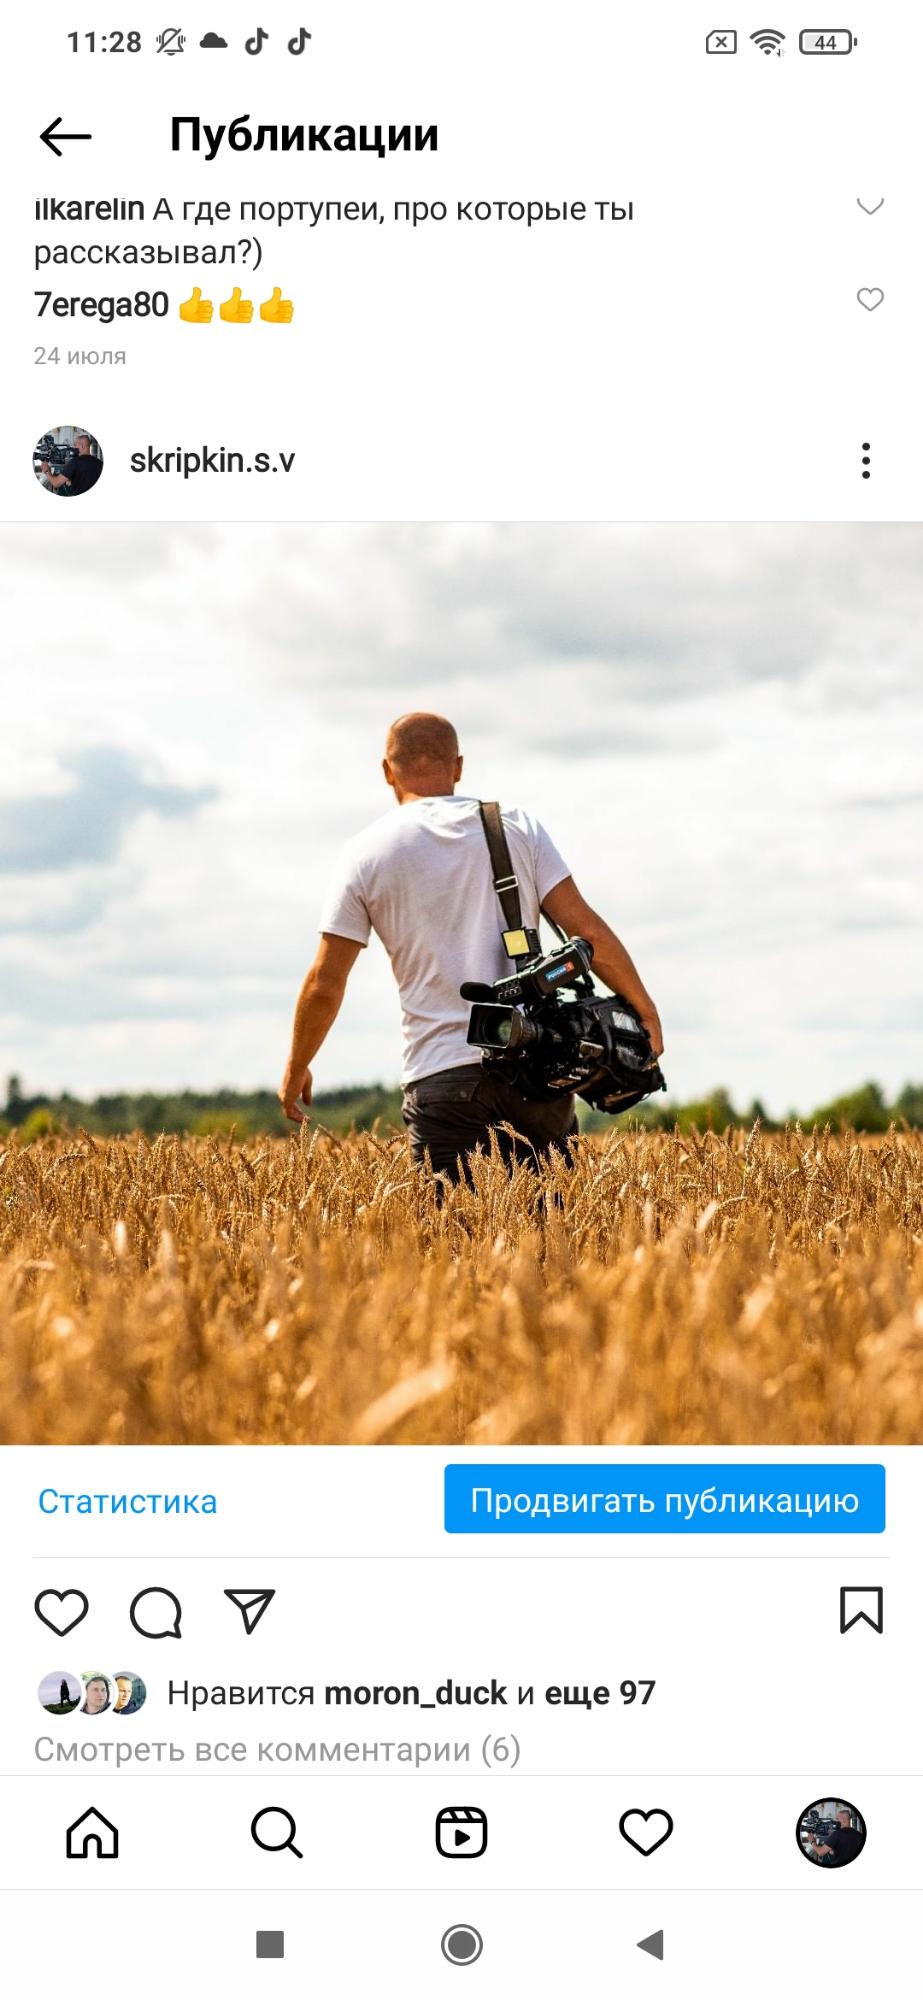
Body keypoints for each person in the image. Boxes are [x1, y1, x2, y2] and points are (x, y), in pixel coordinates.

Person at [279, 712, 663, 1181]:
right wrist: (644, 1011)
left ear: (386, 771)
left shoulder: (366, 853)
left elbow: (326, 981)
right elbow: (590, 934)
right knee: (554, 1245)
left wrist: (298, 1064)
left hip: (440, 1074)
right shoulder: (515, 827)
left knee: (449, 1244)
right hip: (536, 1067)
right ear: (457, 766)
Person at [40, 431, 103, 496]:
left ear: (82, 446)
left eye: (75, 445)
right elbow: (87, 481)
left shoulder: (75, 462)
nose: (74, 447)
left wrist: (47, 471)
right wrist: (72, 482)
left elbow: (56, 483)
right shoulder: (100, 463)